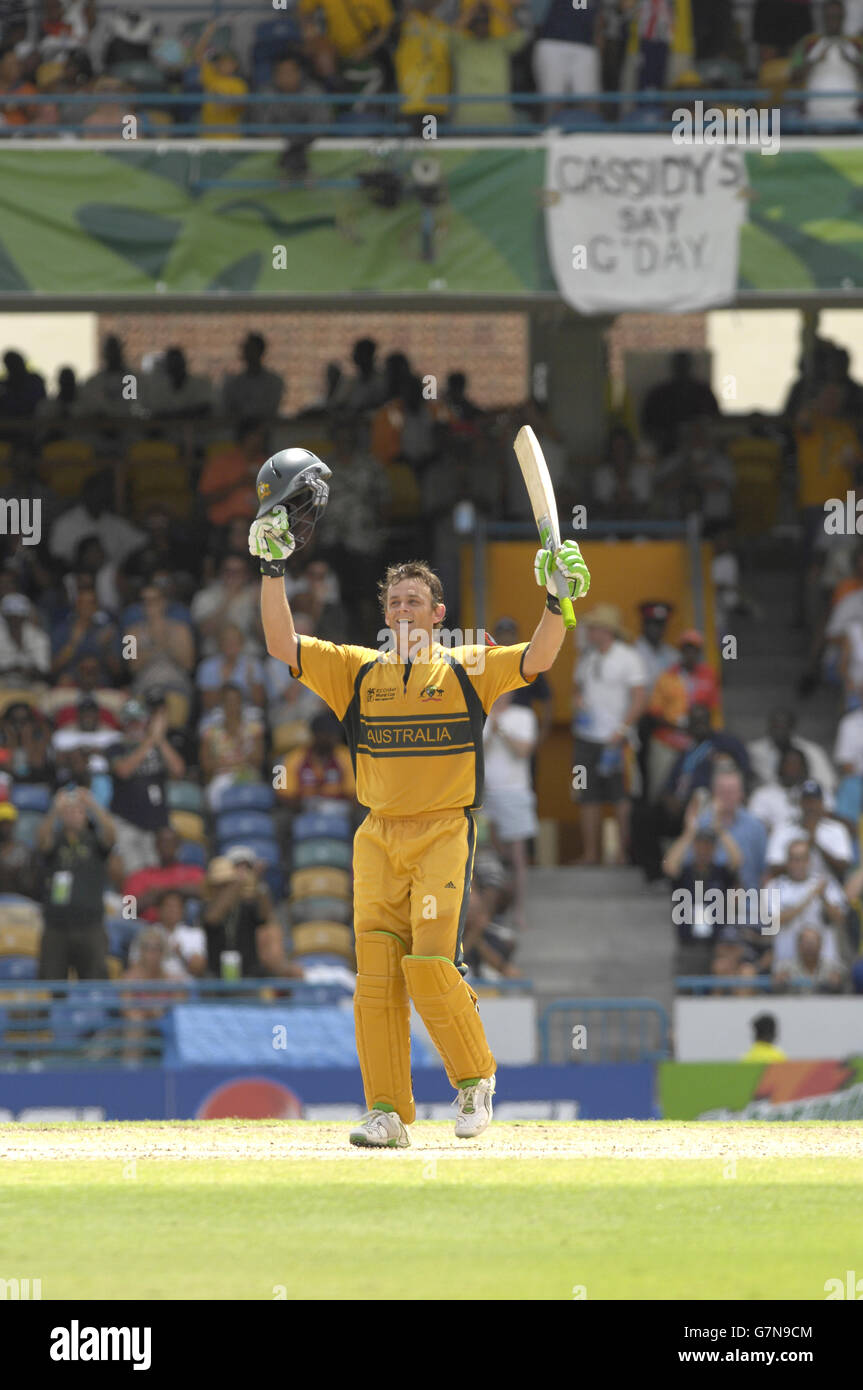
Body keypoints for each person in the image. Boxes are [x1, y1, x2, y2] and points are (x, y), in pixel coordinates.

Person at [249, 448, 591, 1146]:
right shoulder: (356, 671)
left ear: (436, 615)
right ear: (385, 614)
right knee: (374, 977)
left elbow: (540, 656)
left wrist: (559, 600)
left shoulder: (468, 668)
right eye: (393, 602)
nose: (403, 609)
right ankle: (386, 1114)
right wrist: (271, 569)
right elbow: (279, 639)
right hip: (376, 836)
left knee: (430, 965)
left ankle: (473, 1082)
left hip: (442, 831)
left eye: (414, 601)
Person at [572, 604, 647, 865]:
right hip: (586, 737)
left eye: (593, 628)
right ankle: (591, 853)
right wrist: (579, 700)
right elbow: (578, 688)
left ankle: (622, 854)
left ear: (606, 631)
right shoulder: (586, 658)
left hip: (618, 739)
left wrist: (623, 729)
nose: (588, 632)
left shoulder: (628, 657)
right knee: (586, 795)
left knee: (621, 798)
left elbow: (639, 699)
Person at [36, 784, 115, 980]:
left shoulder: (94, 841)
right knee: (51, 980)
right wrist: (55, 809)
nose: (73, 815)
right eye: (68, 811)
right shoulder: (56, 839)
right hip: (56, 925)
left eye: (78, 811)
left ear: (85, 816)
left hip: (91, 925)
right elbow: (41, 841)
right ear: (62, 816)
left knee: (95, 980)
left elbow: (111, 835)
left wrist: (93, 804)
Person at [108, 698, 185, 878]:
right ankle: (130, 908)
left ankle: (153, 908)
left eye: (139, 721)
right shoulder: (116, 747)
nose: (135, 725)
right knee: (133, 878)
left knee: (158, 876)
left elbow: (178, 770)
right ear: (124, 723)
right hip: (128, 822)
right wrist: (151, 740)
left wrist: (160, 740)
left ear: (146, 722)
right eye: (130, 721)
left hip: (157, 824)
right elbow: (124, 770)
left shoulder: (158, 745)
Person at [482, 687, 538, 931]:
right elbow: (472, 754)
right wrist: (490, 729)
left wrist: (500, 730)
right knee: (488, 855)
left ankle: (519, 911)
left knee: (517, 856)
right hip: (483, 793)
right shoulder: (481, 715)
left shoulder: (523, 716)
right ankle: (489, 912)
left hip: (514, 792)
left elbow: (523, 751)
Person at [791, 0, 863, 127]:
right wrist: (814, 60)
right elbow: (793, 77)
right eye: (829, 17)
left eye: (837, 16)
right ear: (823, 17)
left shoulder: (856, 43)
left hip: (852, 109)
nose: (833, 21)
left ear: (844, 16)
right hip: (814, 108)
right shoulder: (809, 42)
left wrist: (852, 61)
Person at [640, 352, 719, 457]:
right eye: (680, 366)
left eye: (684, 365)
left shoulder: (704, 394)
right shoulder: (658, 395)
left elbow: (716, 423)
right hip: (668, 452)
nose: (682, 370)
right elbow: (648, 426)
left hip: (701, 455)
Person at [122, 826, 205, 923]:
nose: (167, 846)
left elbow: (205, 891)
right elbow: (127, 912)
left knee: (193, 907)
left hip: (183, 929)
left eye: (171, 842)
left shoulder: (192, 872)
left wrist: (165, 891)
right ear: (156, 845)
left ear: (178, 845)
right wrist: (150, 897)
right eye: (163, 842)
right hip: (146, 929)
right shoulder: (140, 876)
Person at [747, 706, 836, 797]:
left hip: (805, 799)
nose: (779, 732)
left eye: (783, 726)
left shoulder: (811, 751)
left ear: (792, 728)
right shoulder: (754, 751)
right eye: (776, 727)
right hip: (768, 801)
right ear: (769, 727)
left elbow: (828, 784)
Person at [276, 710, 356, 810]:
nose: (335, 739)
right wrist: (310, 805)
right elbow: (283, 795)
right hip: (302, 811)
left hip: (338, 810)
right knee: (282, 816)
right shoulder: (293, 757)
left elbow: (353, 795)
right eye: (329, 735)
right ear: (316, 735)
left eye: (336, 734)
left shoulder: (346, 756)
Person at [221, 335, 284, 422]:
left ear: (260, 351)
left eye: (251, 349)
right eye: (246, 349)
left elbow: (269, 409)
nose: (248, 353)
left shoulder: (274, 382)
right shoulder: (235, 383)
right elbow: (229, 409)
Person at [0, 592, 50, 687]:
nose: (14, 620)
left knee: (41, 688)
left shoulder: (38, 637)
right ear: (5, 617)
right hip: (3, 681)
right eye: (11, 616)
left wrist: (27, 670)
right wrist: (11, 669)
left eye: (18, 616)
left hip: (30, 682)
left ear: (25, 617)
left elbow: (44, 671)